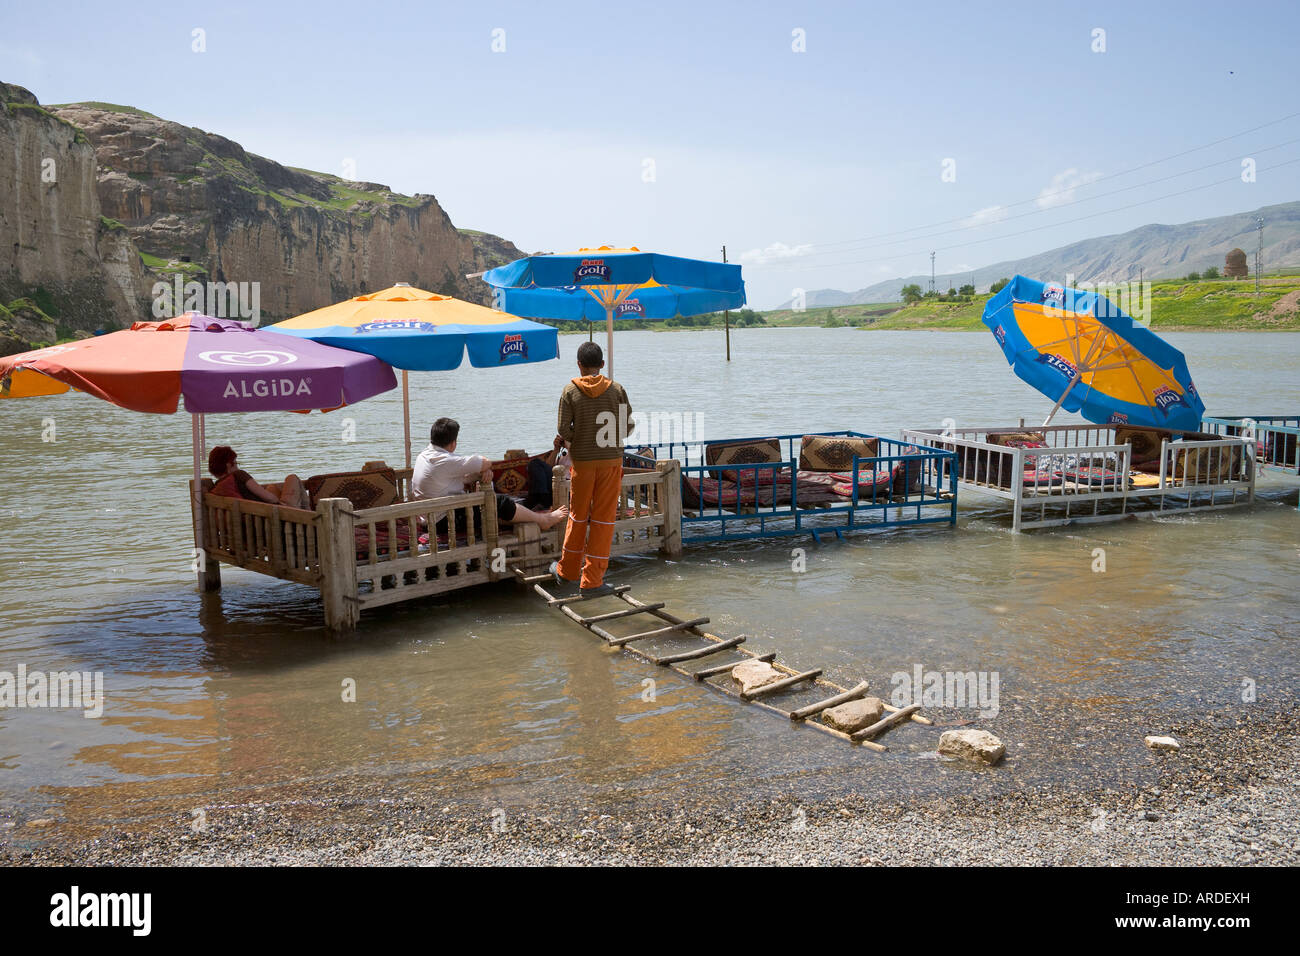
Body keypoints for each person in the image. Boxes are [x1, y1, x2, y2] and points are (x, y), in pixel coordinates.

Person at [552, 341, 633, 594]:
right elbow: (627, 426)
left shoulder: (570, 391)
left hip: (583, 464)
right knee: (603, 520)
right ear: (602, 364)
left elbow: (564, 430)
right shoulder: (617, 389)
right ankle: (593, 581)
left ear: (579, 365)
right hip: (610, 463)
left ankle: (567, 572)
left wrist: (581, 435)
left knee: (578, 516)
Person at [411, 417, 568, 535]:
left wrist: (481, 473)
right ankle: (543, 520)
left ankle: (532, 515)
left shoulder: (424, 456)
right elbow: (485, 462)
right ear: (453, 443)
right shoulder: (445, 460)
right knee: (498, 502)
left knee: (493, 504)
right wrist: (483, 468)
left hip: (430, 517)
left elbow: (460, 476)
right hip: (445, 521)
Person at [208, 446, 310, 509]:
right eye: (235, 463)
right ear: (228, 465)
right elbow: (270, 498)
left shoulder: (217, 488)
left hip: (257, 521)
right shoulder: (239, 475)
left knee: (272, 487)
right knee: (292, 478)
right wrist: (280, 501)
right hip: (279, 517)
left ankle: (308, 512)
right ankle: (309, 516)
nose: (237, 466)